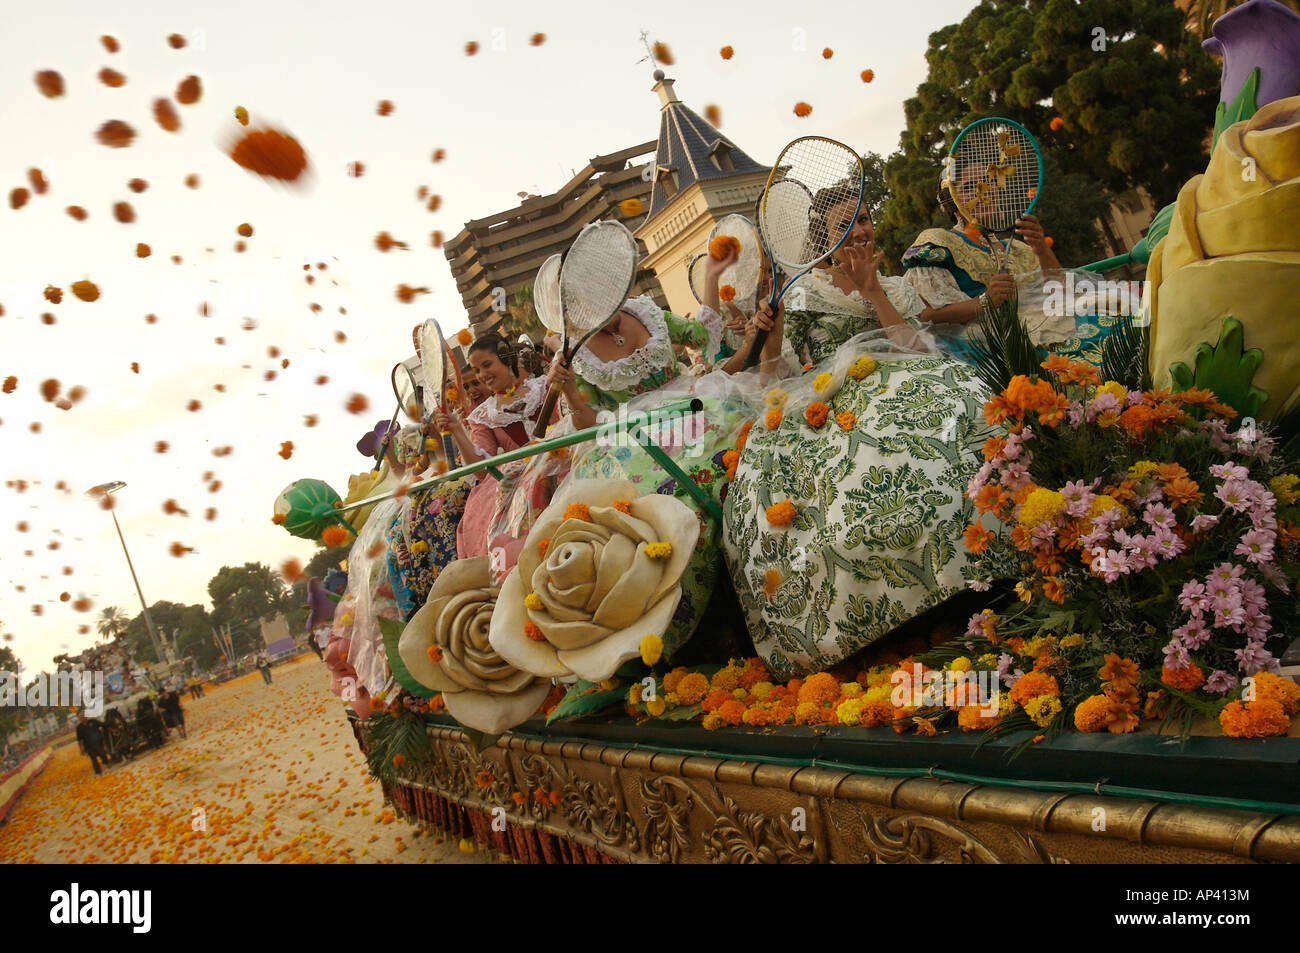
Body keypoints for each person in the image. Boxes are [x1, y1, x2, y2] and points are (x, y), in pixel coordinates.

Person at [722, 186, 990, 680]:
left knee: (963, 412)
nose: (860, 230)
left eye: (864, 218)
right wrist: (774, 340)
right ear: (821, 239)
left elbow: (917, 353)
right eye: (845, 224)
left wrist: (874, 292)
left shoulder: (896, 286)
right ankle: (883, 623)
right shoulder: (801, 294)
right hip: (827, 409)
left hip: (903, 386)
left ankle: (980, 577)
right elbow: (772, 389)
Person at [901, 159, 1117, 362]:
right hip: (994, 345)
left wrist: (1040, 247)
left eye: (987, 183)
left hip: (1046, 324)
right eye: (968, 187)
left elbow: (1060, 292)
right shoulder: (937, 241)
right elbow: (927, 315)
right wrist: (986, 301)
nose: (982, 191)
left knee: (1120, 316)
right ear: (952, 201)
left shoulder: (1017, 248)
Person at [435, 333, 583, 569]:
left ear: (506, 358)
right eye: (477, 370)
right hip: (521, 478)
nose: (482, 375)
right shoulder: (483, 415)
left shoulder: (544, 385)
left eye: (487, 365)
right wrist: (457, 431)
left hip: (566, 457)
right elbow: (483, 471)